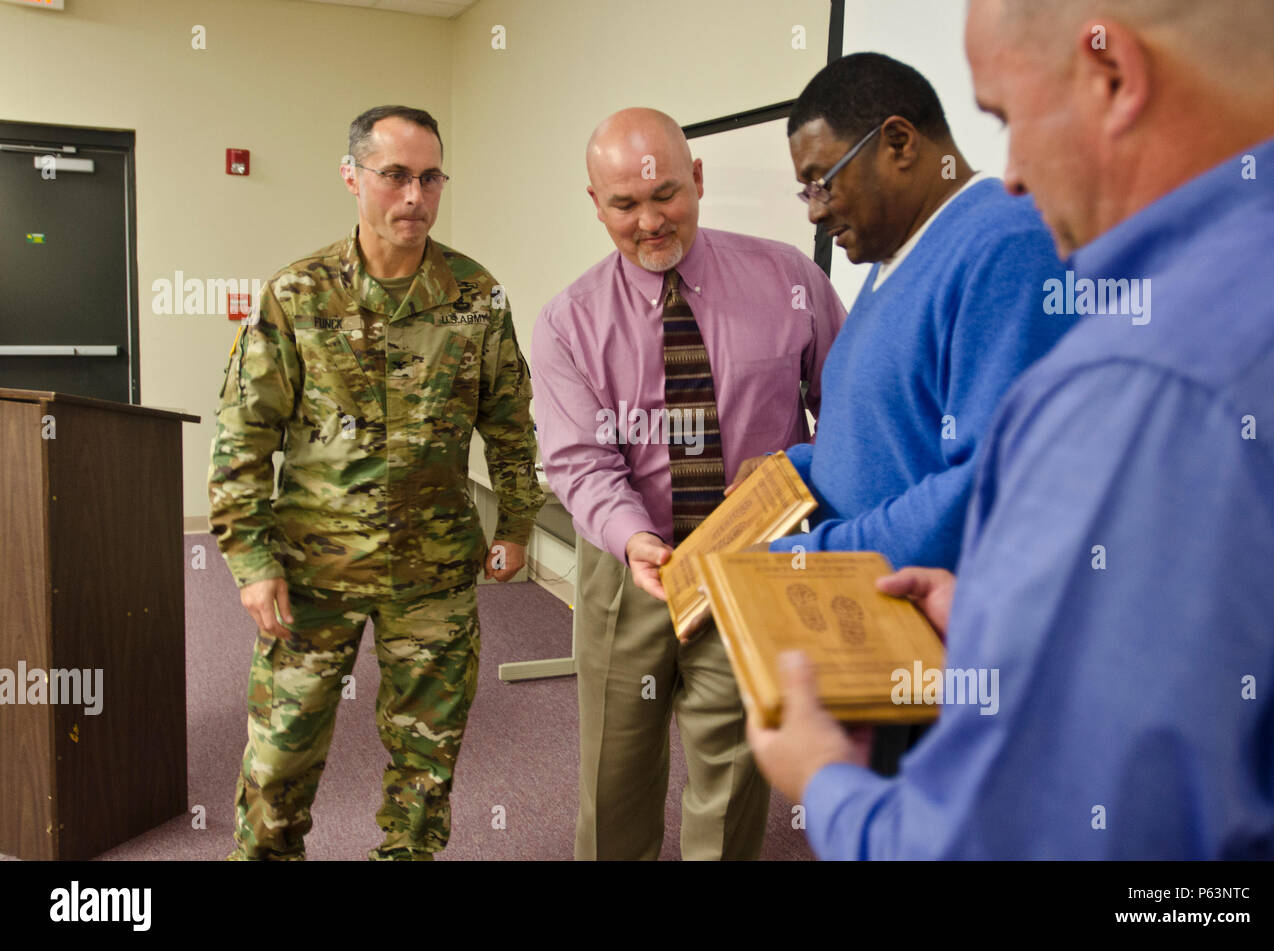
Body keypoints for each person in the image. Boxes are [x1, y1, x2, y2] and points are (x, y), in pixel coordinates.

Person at [748, 0, 1274, 859]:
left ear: (1114, 76)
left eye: (1007, 118)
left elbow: (1014, 838)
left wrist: (825, 783)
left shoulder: (1140, 373)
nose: (1012, 174)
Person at [209, 104, 543, 860]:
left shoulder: (475, 295)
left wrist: (518, 523)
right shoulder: (297, 295)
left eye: (430, 178)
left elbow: (511, 424)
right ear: (352, 176)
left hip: (433, 577)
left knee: (426, 770)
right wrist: (251, 562)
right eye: (395, 176)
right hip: (311, 574)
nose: (414, 197)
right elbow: (242, 435)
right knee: (278, 763)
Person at [732, 52, 1072, 775]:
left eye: (821, 181)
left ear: (899, 141)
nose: (817, 211)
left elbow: (987, 483)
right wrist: (787, 473)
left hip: (939, 661)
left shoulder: (1005, 245)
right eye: (804, 193)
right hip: (876, 633)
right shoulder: (897, 259)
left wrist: (803, 564)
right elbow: (885, 433)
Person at [531, 107, 846, 860]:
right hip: (627, 571)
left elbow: (848, 408)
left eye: (665, 194)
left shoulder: (789, 280)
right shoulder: (568, 322)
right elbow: (579, 459)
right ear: (596, 204)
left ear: (698, 180)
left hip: (751, 567)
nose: (649, 221)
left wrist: (806, 503)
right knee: (616, 777)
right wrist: (633, 537)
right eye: (625, 204)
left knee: (734, 779)